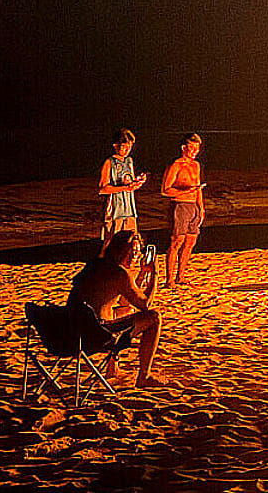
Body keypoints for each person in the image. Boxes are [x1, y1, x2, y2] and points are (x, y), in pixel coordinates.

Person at [67, 230, 166, 387]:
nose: (134, 257)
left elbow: (127, 300)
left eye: (137, 253)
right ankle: (144, 376)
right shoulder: (120, 273)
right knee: (154, 317)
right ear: (119, 251)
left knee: (124, 311)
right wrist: (155, 275)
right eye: (131, 252)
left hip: (71, 332)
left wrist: (142, 274)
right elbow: (145, 305)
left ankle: (112, 367)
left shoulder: (94, 264)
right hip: (96, 336)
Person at [161, 133, 204, 288]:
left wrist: (201, 208)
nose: (194, 151)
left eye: (197, 148)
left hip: (193, 207)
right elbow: (165, 190)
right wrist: (184, 191)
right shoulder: (176, 165)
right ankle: (169, 280)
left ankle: (181, 276)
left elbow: (198, 188)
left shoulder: (196, 165)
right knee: (176, 241)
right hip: (180, 205)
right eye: (191, 148)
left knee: (190, 242)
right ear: (183, 148)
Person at [99, 128, 147, 244]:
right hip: (115, 209)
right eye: (124, 146)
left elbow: (130, 185)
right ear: (116, 145)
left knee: (131, 241)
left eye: (129, 147)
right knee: (111, 242)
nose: (127, 150)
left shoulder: (129, 161)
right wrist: (125, 188)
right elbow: (103, 189)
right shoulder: (110, 162)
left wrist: (138, 182)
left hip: (129, 209)